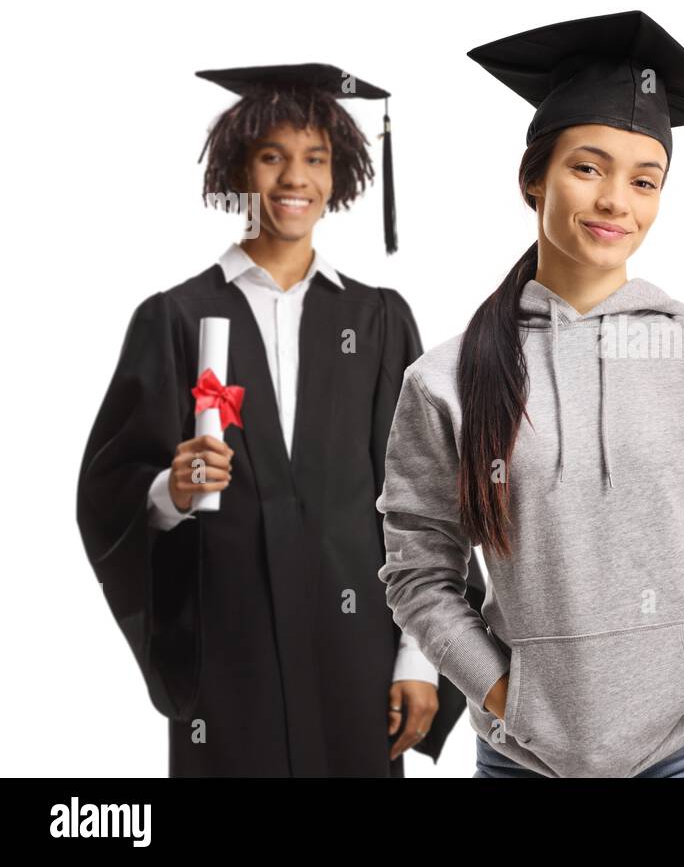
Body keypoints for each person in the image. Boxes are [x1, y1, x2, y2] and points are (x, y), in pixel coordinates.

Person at [377, 11, 684, 778]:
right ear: (532, 178)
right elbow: (420, 573)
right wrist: (505, 692)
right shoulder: (445, 380)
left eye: (645, 180)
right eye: (588, 167)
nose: (617, 200)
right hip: (526, 755)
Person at [76, 63, 483, 776]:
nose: (295, 178)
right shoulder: (174, 317)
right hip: (227, 649)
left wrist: (419, 656)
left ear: (340, 174)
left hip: (355, 648)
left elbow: (424, 499)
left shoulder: (378, 321)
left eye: (315, 159)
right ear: (237, 169)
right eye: (272, 157)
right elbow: (107, 490)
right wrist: (169, 492)